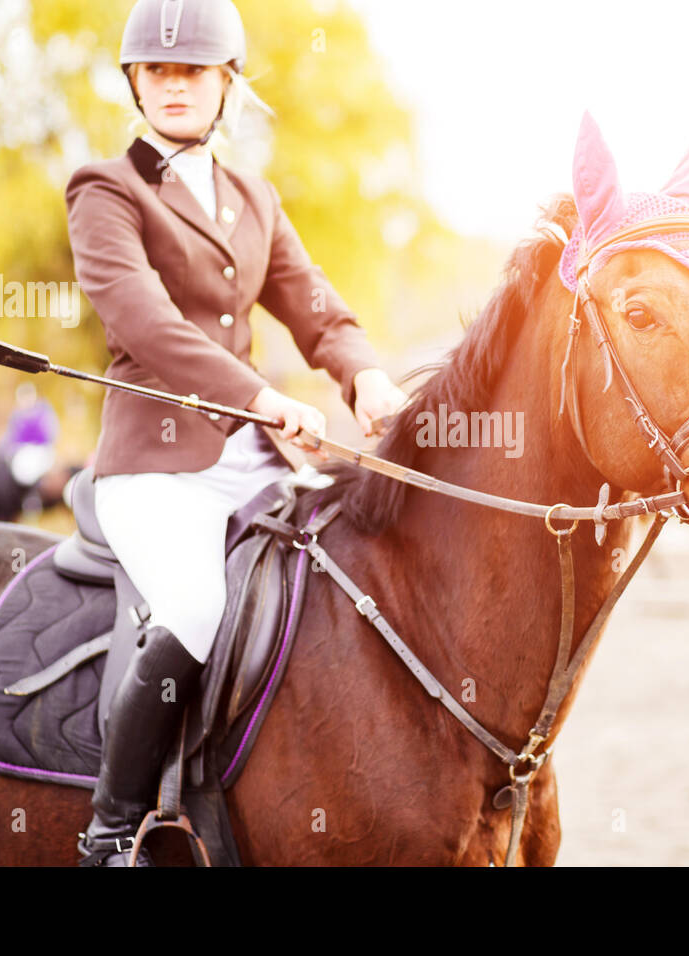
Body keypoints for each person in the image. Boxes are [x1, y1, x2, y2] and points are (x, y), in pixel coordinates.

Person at [65, 0, 407, 866]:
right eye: (158, 71)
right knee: (194, 605)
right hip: (155, 465)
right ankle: (112, 831)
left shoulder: (255, 197)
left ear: (227, 84)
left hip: (257, 461)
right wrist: (262, 394)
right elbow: (146, 324)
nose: (175, 85)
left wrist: (362, 372)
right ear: (136, 83)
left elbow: (314, 304)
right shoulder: (106, 190)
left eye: (194, 71)